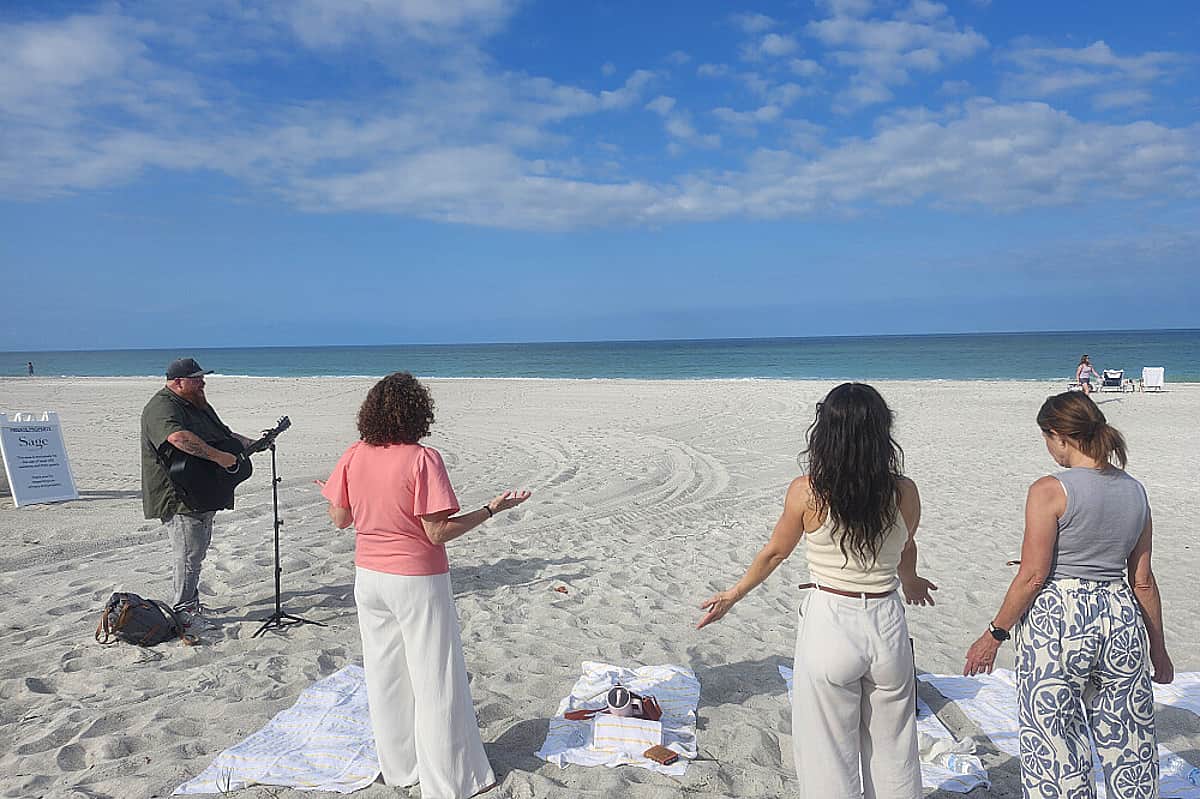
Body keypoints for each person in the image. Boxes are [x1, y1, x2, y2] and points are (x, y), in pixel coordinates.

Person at [697, 382, 937, 798]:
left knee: (828, 755)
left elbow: (775, 553)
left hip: (832, 618)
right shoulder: (905, 491)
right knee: (895, 749)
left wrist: (733, 595)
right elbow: (904, 546)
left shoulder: (808, 491)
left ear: (825, 432)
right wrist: (912, 581)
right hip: (887, 620)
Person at [321, 372, 530, 799]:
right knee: (436, 677)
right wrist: (491, 510)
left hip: (369, 578)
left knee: (385, 674)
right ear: (418, 412)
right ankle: (449, 781)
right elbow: (437, 533)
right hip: (416, 579)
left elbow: (340, 520)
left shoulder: (354, 454)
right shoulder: (422, 458)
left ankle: (400, 769)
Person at [963, 391, 1173, 797]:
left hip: (1059, 621)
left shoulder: (1050, 490)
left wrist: (994, 633)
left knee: (1055, 745)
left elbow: (1033, 575)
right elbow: (1143, 580)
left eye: (1047, 439)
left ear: (1059, 436)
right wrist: (1158, 649)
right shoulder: (1135, 491)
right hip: (1120, 617)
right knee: (1131, 744)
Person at [140, 357, 252, 623]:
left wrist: (252, 443)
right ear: (178, 382)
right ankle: (183, 610)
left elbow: (224, 435)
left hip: (203, 488)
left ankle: (191, 602)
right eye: (197, 378)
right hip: (178, 494)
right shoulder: (161, 406)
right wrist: (219, 457)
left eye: (202, 377)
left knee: (197, 552)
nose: (203, 382)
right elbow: (178, 438)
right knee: (188, 555)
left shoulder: (199, 404)